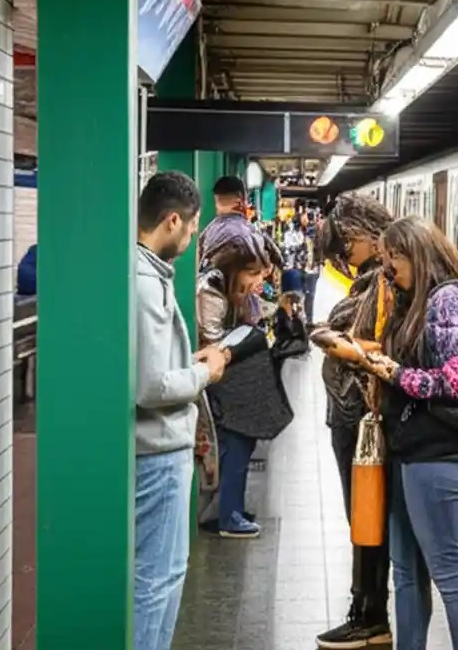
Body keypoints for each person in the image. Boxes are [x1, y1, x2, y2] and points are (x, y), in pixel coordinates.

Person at [359, 216, 458, 650]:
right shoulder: (414, 298)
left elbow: (455, 382)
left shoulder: (447, 301)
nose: (389, 269)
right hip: (410, 451)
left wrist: (393, 373)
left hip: (437, 455)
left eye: (393, 258)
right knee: (406, 569)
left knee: (451, 573)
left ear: (417, 254)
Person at [134, 172, 228, 650]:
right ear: (172, 221)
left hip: (157, 448)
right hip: (158, 451)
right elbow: (149, 386)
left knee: (161, 574)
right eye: (191, 229)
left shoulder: (145, 274)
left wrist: (188, 363)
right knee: (158, 577)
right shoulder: (146, 283)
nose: (192, 238)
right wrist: (205, 374)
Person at [315, 193, 396, 649]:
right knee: (365, 515)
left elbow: (342, 334)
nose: (342, 259)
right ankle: (367, 609)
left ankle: (368, 615)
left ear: (362, 237)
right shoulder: (380, 278)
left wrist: (329, 337)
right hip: (355, 415)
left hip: (358, 417)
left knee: (364, 515)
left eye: (344, 248)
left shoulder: (376, 282)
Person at [197, 232, 280, 539]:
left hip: (223, 377)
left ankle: (228, 509)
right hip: (212, 379)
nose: (259, 280)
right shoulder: (210, 292)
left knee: (241, 441)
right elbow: (214, 343)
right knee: (236, 440)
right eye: (253, 273)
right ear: (235, 270)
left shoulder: (232, 292)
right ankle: (228, 515)